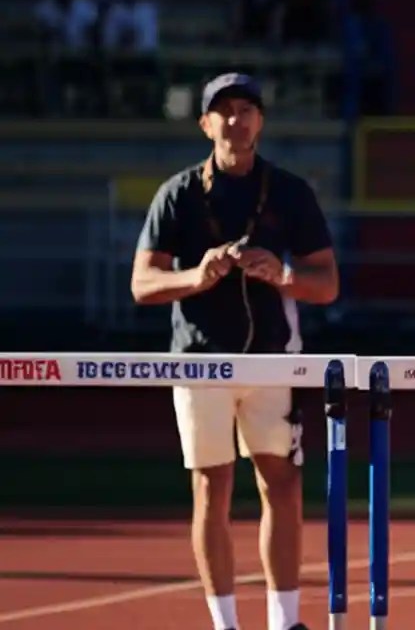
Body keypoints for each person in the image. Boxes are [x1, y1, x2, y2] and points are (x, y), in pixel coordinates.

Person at [130, 73, 339, 630]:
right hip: (199, 360)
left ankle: (284, 620)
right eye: (224, 110)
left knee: (282, 484)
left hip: (273, 357)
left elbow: (326, 284)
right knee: (211, 487)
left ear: (261, 122)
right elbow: (142, 284)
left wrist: (283, 274)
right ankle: (225, 623)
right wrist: (197, 277)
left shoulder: (289, 191)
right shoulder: (177, 193)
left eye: (247, 109)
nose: (236, 119)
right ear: (204, 124)